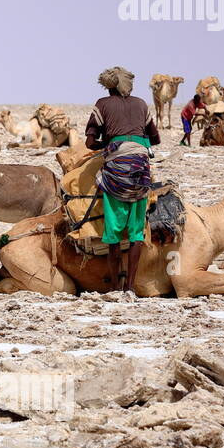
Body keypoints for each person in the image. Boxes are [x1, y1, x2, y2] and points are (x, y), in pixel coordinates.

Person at [84, 67, 161, 298]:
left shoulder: (103, 104)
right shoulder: (141, 104)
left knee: (114, 232)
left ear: (109, 86)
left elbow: (89, 142)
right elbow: (155, 138)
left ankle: (115, 286)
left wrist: (107, 144)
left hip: (116, 172)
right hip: (140, 170)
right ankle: (130, 286)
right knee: (136, 232)